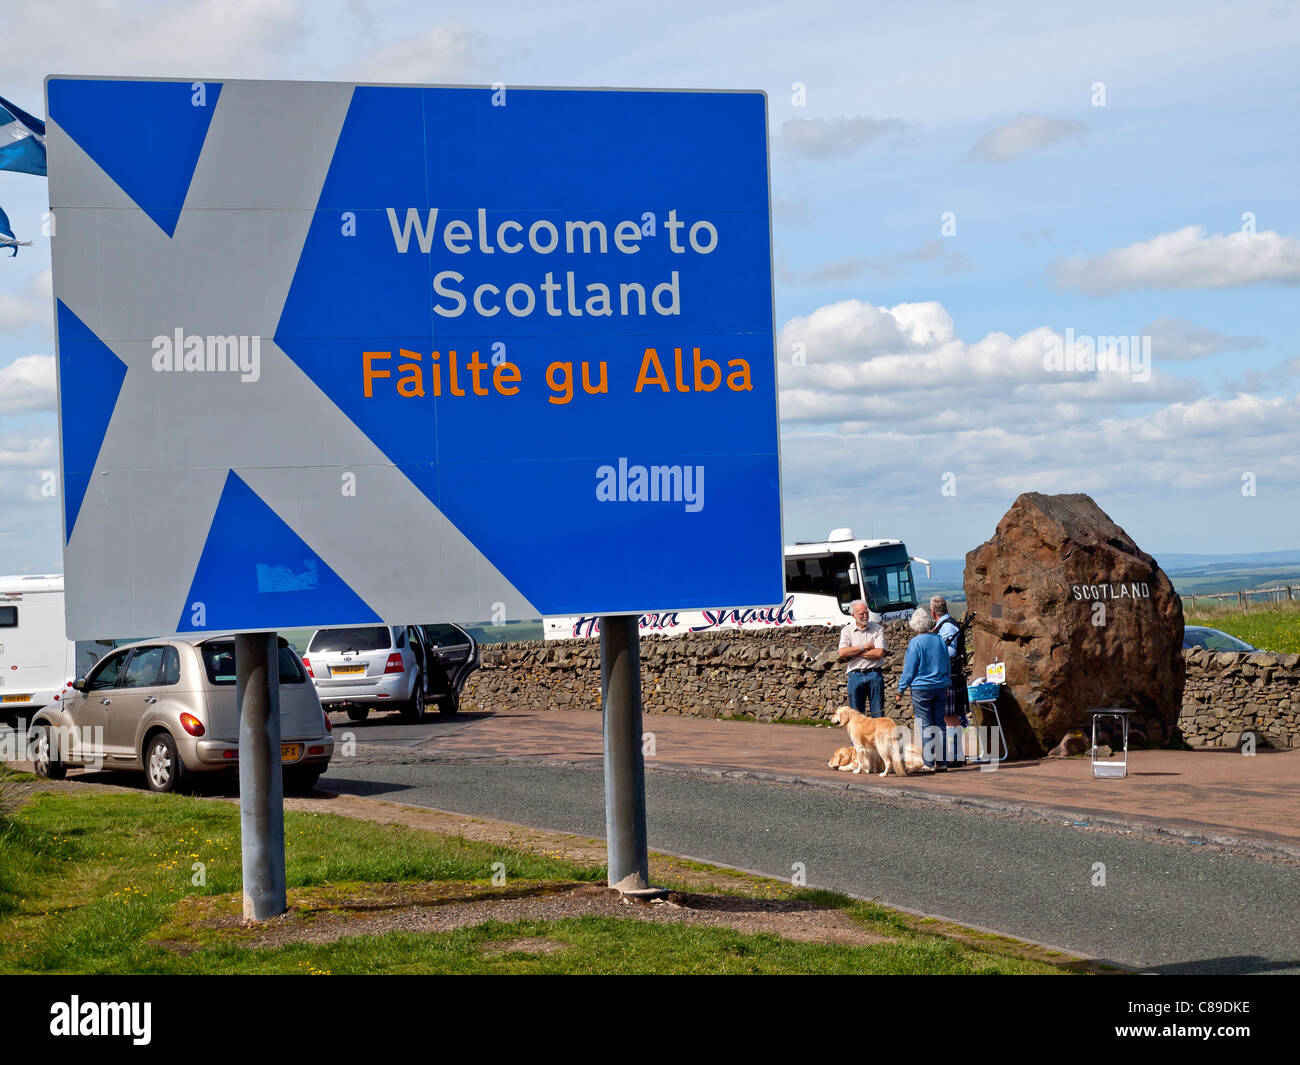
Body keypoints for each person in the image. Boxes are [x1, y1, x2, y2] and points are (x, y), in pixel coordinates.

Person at [895, 606, 950, 771]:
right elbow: (947, 664)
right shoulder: (940, 639)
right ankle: (942, 762)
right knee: (940, 724)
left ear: (914, 626)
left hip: (921, 688)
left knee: (925, 725)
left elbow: (909, 669)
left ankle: (928, 763)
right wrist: (946, 681)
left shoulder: (915, 642)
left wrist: (900, 689)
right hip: (940, 685)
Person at [931, 596, 969, 768]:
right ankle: (956, 755)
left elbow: (951, 652)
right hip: (952, 676)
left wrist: (932, 650)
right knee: (950, 717)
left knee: (950, 717)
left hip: (951, 677)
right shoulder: (947, 624)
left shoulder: (946, 626)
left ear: (933, 612)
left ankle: (956, 756)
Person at [838, 599, 886, 718]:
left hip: (874, 674)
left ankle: (878, 737)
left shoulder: (878, 629)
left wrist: (855, 652)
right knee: (855, 717)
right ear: (853, 615)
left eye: (867, 613)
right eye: (861, 614)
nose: (865, 616)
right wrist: (866, 647)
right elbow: (842, 652)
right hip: (855, 675)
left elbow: (879, 652)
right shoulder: (846, 631)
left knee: (878, 714)